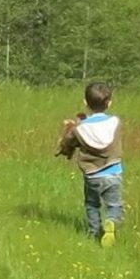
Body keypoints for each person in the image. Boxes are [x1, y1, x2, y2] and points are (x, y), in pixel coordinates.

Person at [55, 81, 125, 245]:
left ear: (85, 103)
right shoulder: (115, 122)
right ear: (109, 103)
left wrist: (74, 127)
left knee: (92, 205)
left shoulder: (79, 129)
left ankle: (95, 233)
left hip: (92, 175)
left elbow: (68, 143)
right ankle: (112, 223)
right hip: (113, 173)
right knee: (115, 205)